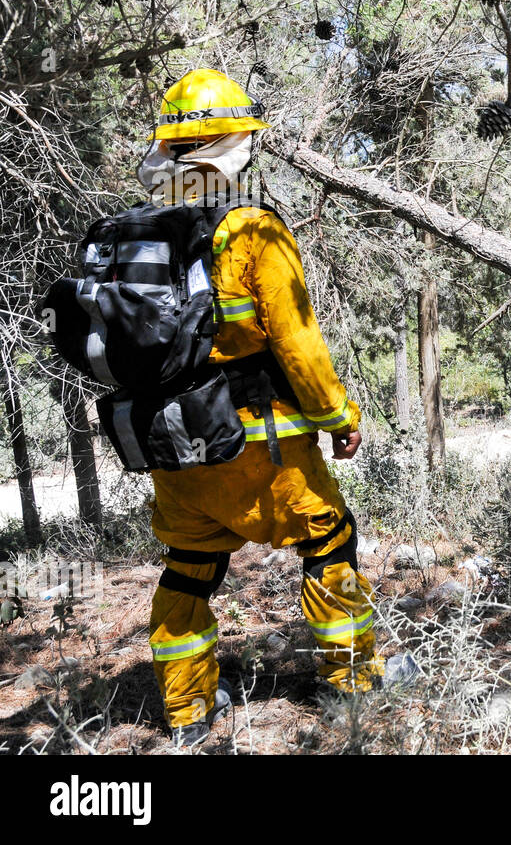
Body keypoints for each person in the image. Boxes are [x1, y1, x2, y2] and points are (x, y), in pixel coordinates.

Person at [138, 69, 388, 747]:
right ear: (237, 148)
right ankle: (355, 683)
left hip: (175, 450)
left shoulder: (142, 238)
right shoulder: (255, 232)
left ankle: (188, 710)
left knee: (189, 569)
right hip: (259, 448)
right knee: (330, 540)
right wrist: (340, 416)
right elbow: (299, 343)